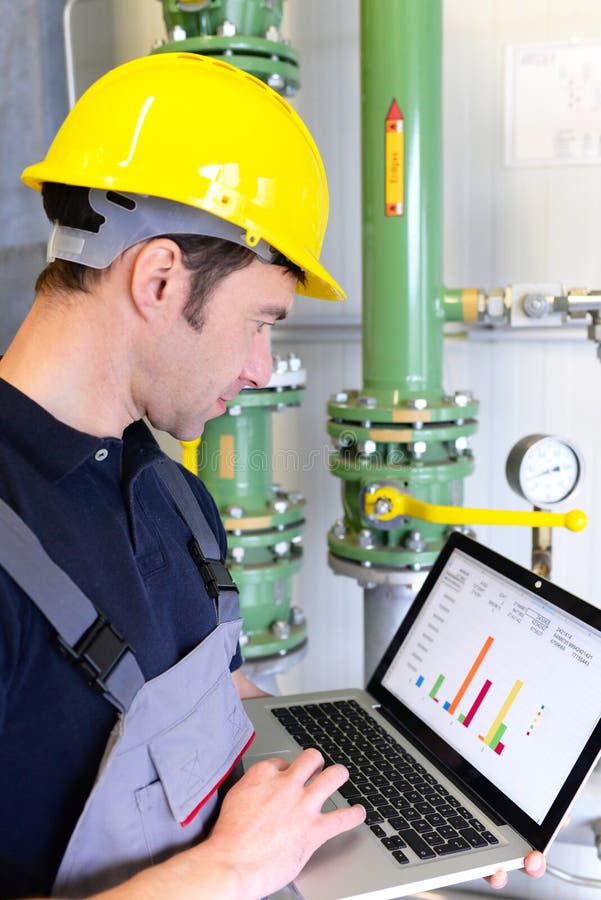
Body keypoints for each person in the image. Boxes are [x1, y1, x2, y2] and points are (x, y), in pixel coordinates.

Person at [0, 53, 545, 899]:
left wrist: (415, 781)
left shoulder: (174, 495)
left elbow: (207, 692)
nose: (261, 367)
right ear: (158, 278)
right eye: (260, 323)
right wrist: (228, 869)